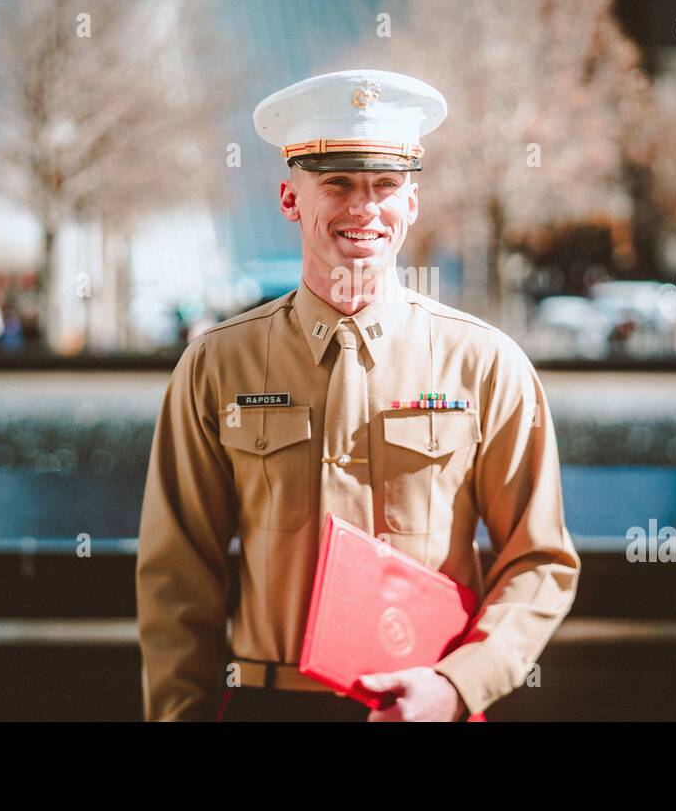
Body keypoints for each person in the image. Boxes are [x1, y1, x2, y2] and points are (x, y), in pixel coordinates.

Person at [136, 69, 580, 721]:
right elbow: (177, 575)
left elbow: (539, 560)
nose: (363, 207)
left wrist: (459, 684)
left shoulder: (484, 366)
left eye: (385, 186)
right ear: (290, 198)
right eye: (337, 183)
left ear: (413, 205)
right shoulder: (216, 367)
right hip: (271, 705)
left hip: (428, 706)